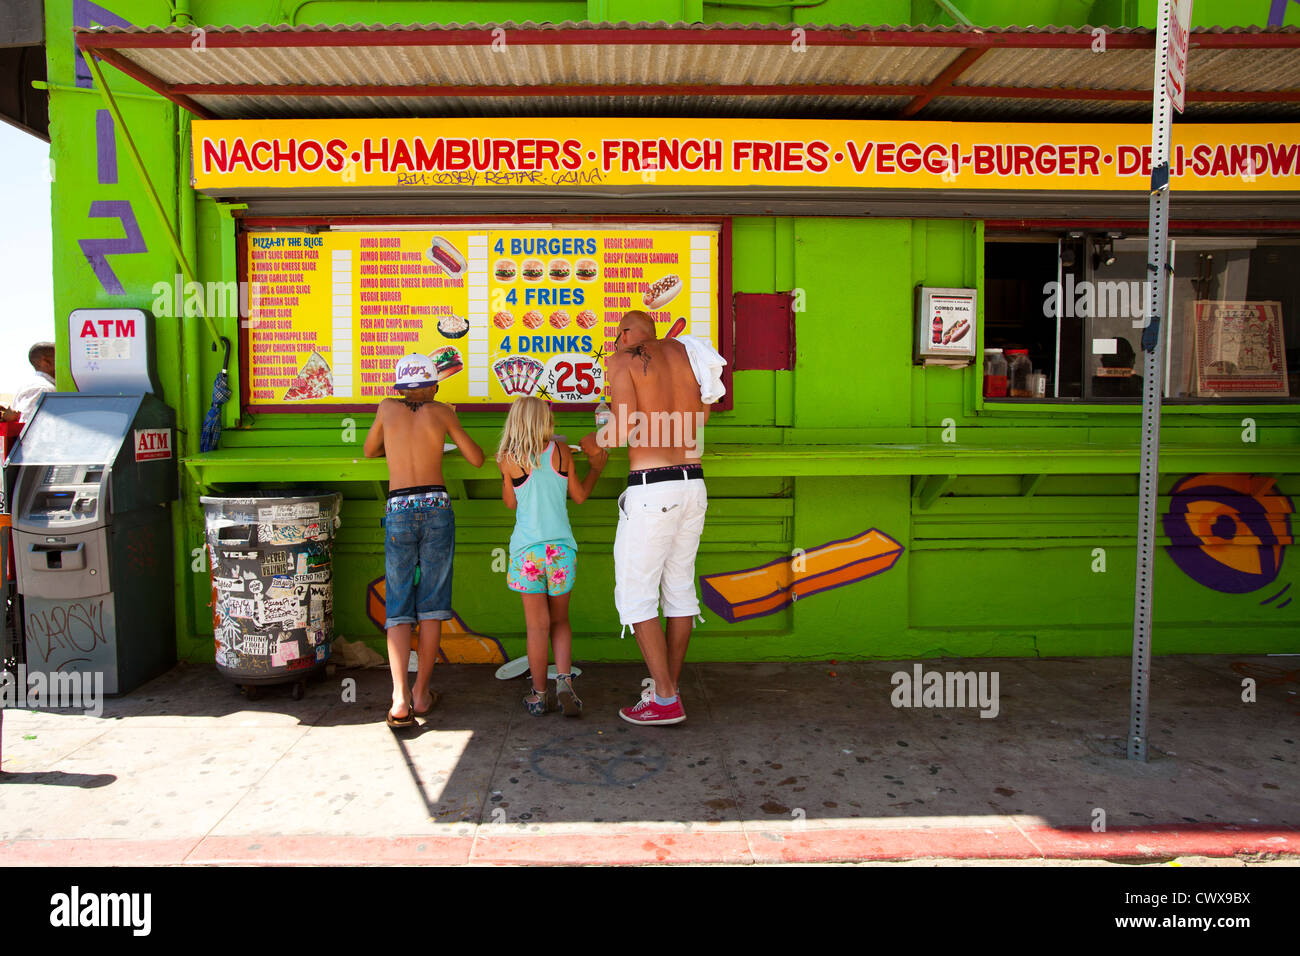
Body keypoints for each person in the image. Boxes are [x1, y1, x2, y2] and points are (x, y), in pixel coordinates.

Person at [587, 309, 721, 726]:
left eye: (616, 335)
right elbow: (701, 419)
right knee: (679, 590)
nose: (614, 342)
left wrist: (593, 440)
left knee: (636, 595)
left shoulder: (624, 361)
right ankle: (669, 688)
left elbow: (623, 429)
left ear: (627, 333)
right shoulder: (692, 356)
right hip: (693, 484)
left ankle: (664, 698)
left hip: (652, 489)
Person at [364, 353, 484, 729]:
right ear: (433, 385)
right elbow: (477, 459)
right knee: (432, 604)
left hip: (399, 507)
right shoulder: (443, 411)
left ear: (399, 387)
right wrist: (449, 426)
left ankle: (399, 699)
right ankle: (422, 693)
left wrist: (398, 444)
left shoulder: (386, 408)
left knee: (398, 604)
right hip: (437, 507)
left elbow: (369, 450)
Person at [496, 397, 607, 716]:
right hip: (561, 551)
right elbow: (580, 496)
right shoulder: (560, 453)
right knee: (560, 621)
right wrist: (596, 469)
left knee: (537, 627)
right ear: (545, 422)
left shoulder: (508, 457)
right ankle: (565, 683)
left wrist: (505, 474)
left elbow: (510, 503)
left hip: (527, 553)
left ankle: (539, 693)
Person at [1, 342, 56, 423]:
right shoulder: (41, 388)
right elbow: (28, 429)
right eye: (61, 357)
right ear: (45, 362)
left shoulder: (38, 385)